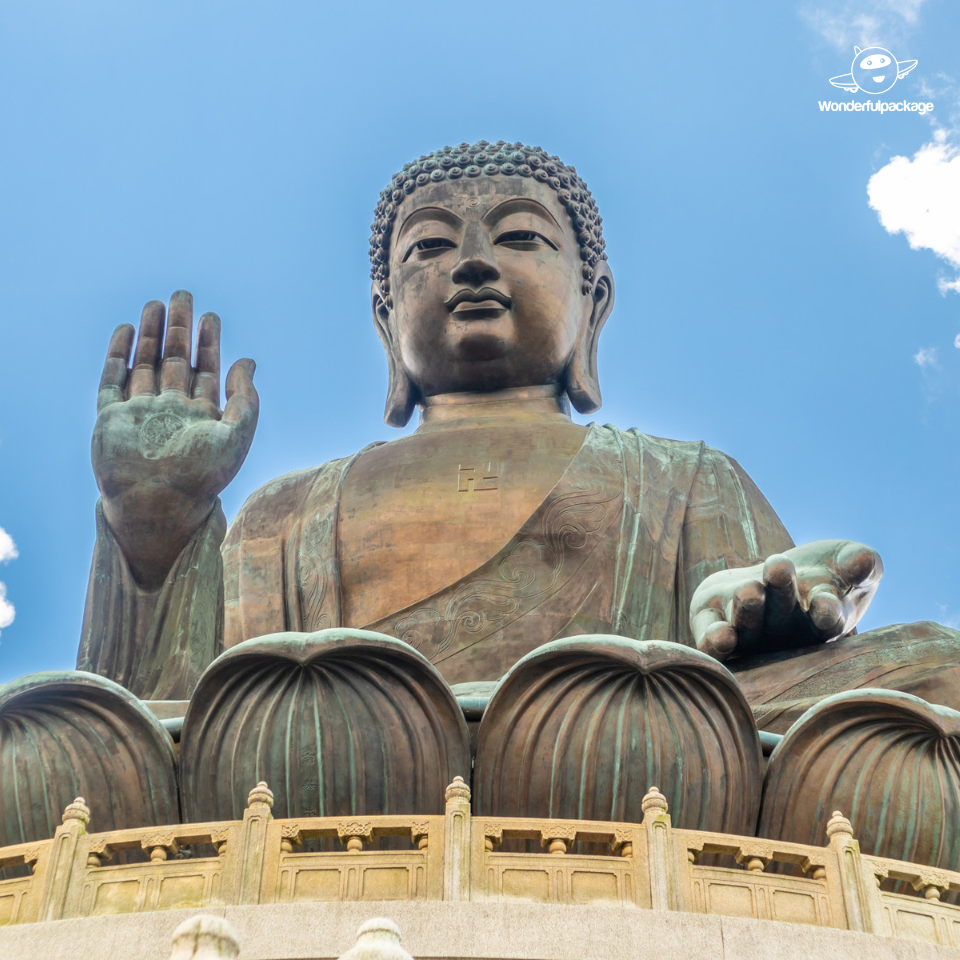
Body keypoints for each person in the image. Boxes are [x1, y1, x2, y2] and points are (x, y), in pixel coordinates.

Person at [79, 140, 960, 723]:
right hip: (326, 753)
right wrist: (154, 527)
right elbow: (165, 713)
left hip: (623, 743)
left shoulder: (686, 479)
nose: (471, 262)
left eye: (521, 237)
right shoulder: (285, 509)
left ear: (593, 304)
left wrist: (765, 612)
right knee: (49, 730)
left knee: (937, 667)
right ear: (386, 320)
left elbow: (749, 677)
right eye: (428, 248)